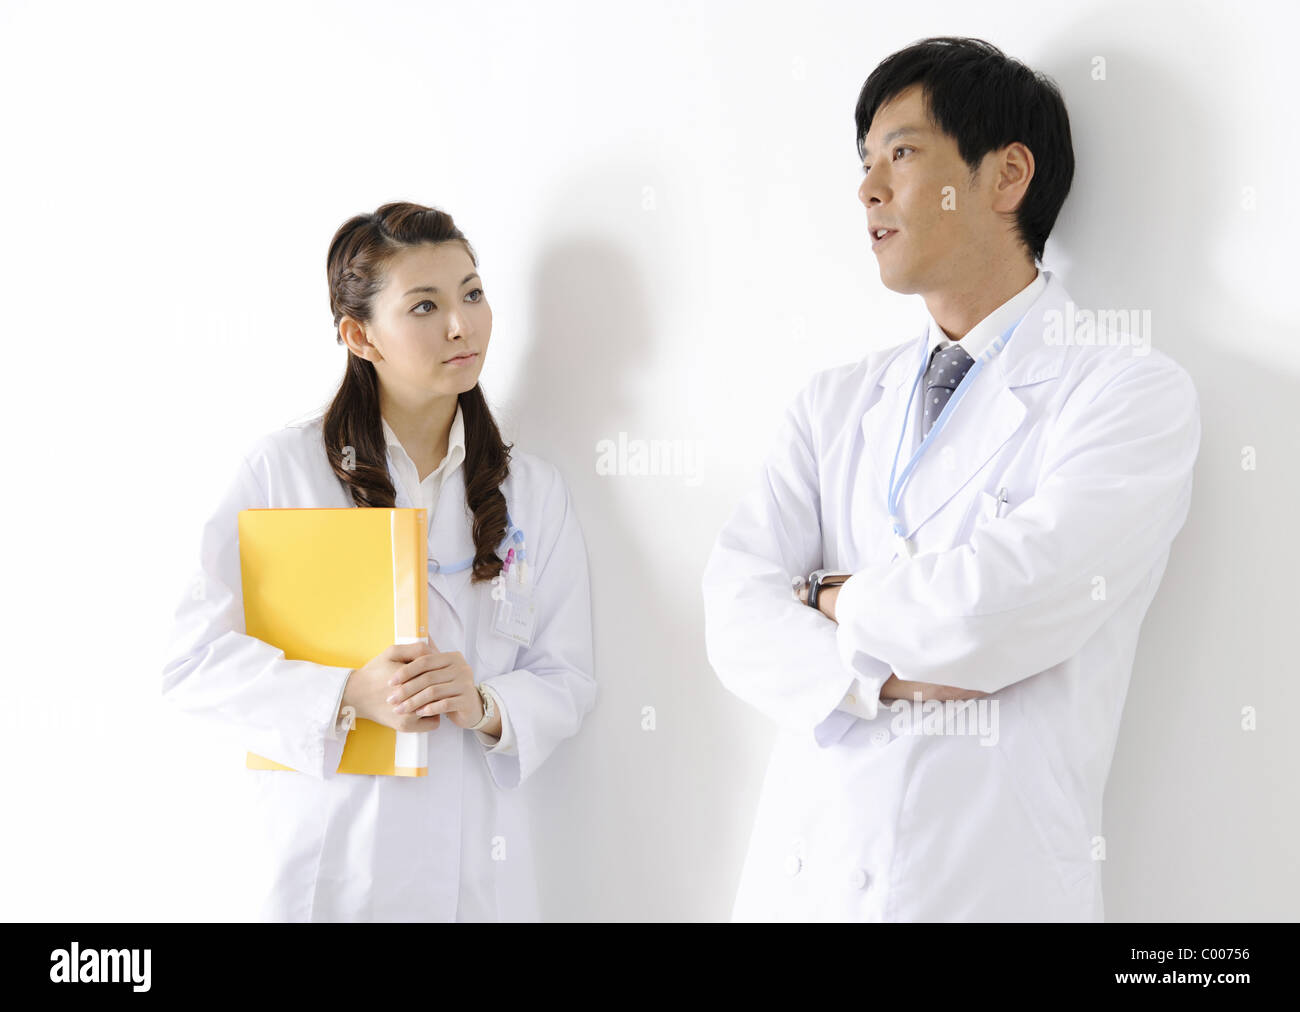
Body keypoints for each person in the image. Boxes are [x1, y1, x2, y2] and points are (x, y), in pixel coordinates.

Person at [701, 37, 1200, 921]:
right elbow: (735, 608)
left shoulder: (1128, 394)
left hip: (981, 884)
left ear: (1006, 176)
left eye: (901, 153)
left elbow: (989, 609)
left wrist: (826, 595)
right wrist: (872, 679)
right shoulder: (835, 401)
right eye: (864, 164)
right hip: (804, 884)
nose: (867, 190)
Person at [162, 201, 596, 921]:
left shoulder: (534, 493)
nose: (461, 324)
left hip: (473, 873)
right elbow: (192, 660)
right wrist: (345, 694)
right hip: (332, 865)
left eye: (472, 293)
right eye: (424, 305)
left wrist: (486, 704)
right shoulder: (285, 472)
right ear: (359, 336)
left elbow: (568, 677)